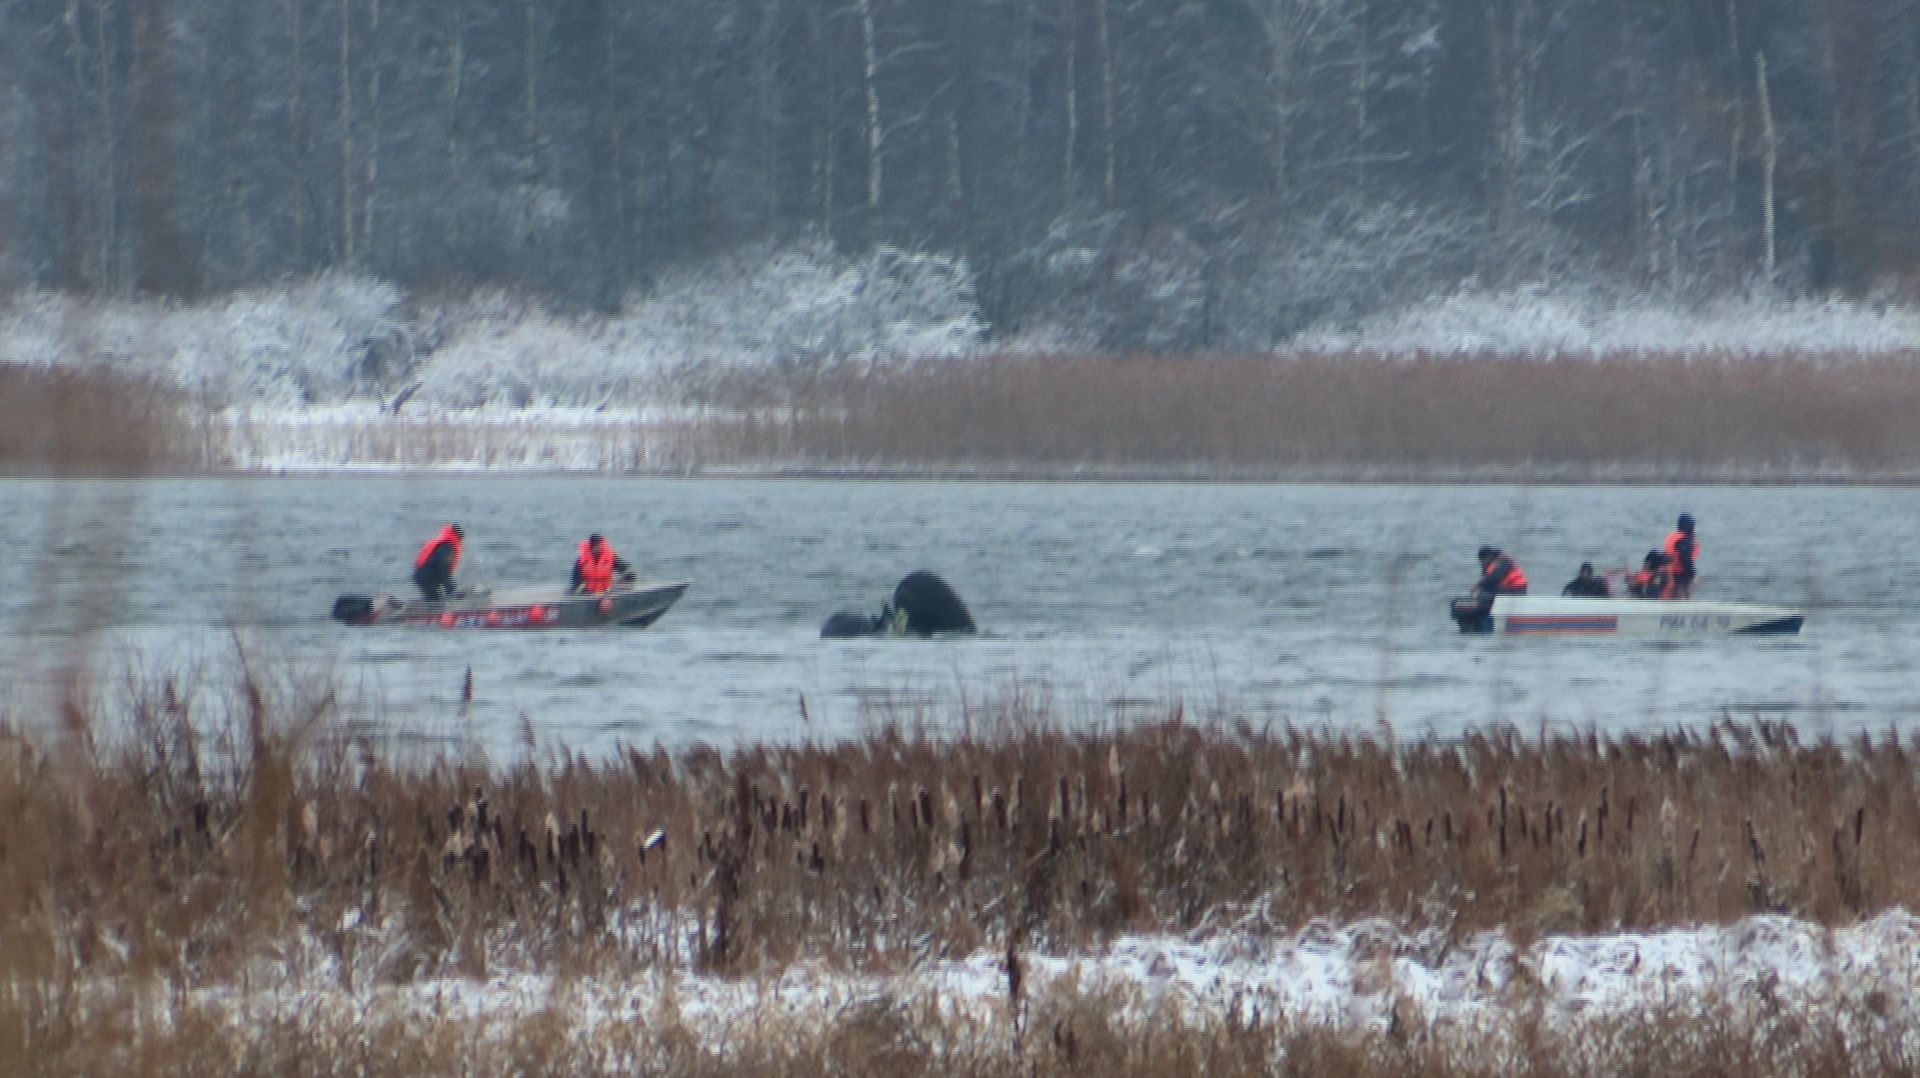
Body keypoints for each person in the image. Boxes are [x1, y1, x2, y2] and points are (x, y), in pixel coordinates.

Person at [413, 523, 463, 600]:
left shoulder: (442, 542)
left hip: (425, 575)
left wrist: (450, 587)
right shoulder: (447, 546)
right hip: (427, 577)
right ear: (458, 535)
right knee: (435, 603)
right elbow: (442, 568)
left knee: (435, 601)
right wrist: (451, 588)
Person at [1661, 513, 1698, 598]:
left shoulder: (1673, 536)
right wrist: (1693, 574)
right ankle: (1683, 607)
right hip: (1679, 573)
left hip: (1667, 571)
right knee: (1681, 595)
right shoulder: (1684, 540)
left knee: (1672, 595)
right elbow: (1685, 560)